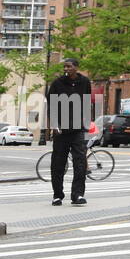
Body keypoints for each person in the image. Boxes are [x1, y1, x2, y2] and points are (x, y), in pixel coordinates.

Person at [46, 57, 92, 206]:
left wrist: (87, 124)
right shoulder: (57, 83)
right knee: (58, 163)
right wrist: (54, 125)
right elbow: (51, 105)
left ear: (76, 67)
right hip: (61, 129)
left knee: (80, 162)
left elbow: (87, 103)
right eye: (64, 67)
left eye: (69, 66)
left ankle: (78, 195)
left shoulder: (85, 82)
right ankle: (57, 195)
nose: (66, 69)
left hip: (79, 129)